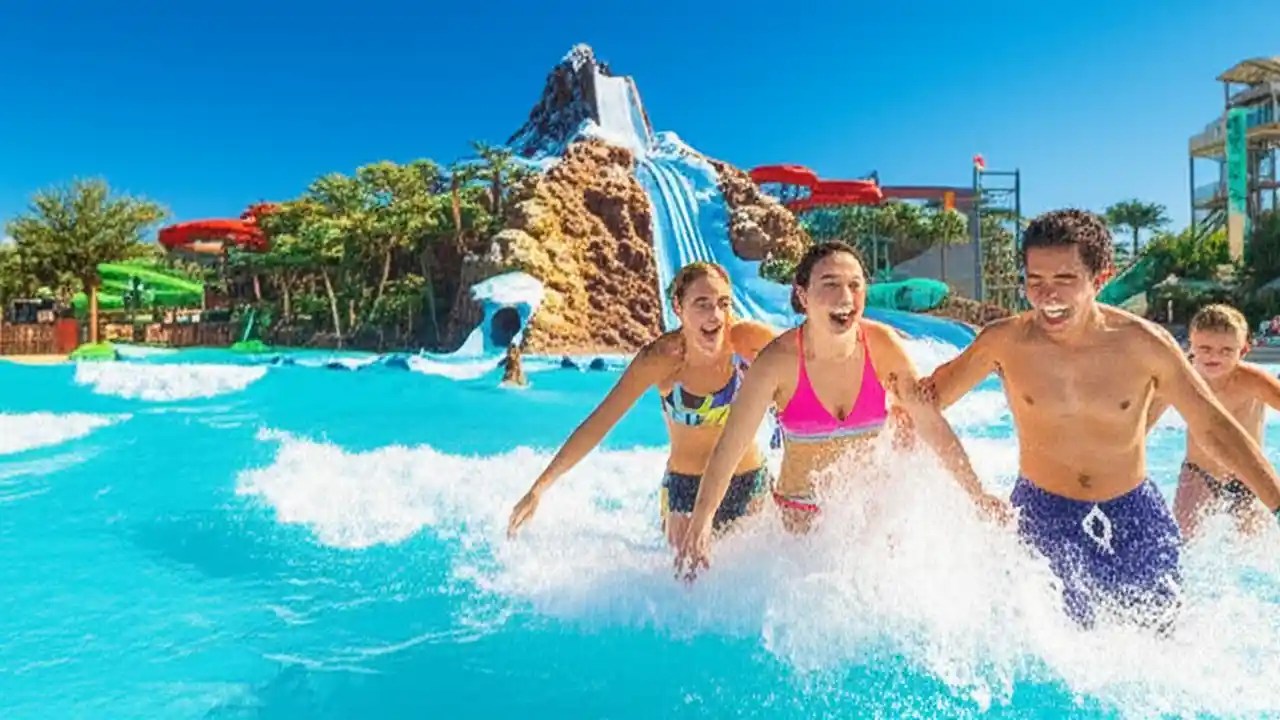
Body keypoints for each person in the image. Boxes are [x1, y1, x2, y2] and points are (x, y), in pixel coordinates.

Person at [917, 209, 1280, 629]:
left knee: (1161, 637)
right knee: (1062, 647)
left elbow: (1214, 426)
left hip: (1134, 510)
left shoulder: (1145, 345)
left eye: (1064, 280)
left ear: (1100, 277)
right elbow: (925, 403)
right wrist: (972, 493)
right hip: (1042, 512)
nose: (1047, 295)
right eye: (1035, 281)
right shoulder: (1004, 342)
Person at [673, 241, 1007, 576]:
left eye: (855, 285)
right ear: (803, 296)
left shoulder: (882, 346)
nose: (845, 297)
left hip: (871, 528)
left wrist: (977, 495)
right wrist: (702, 520)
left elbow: (930, 424)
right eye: (830, 284)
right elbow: (732, 443)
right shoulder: (777, 362)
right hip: (799, 537)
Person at [506, 261, 778, 547]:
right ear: (678, 307)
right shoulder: (660, 360)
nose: (716, 315)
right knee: (688, 585)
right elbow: (600, 422)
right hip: (687, 489)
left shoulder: (747, 340)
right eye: (702, 304)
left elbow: (806, 365)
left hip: (747, 479)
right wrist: (540, 487)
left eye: (723, 303)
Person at [1147, 303, 1280, 538]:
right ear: (1190, 346)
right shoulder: (1182, 380)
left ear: (1244, 350)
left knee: (1259, 548)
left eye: (1226, 350)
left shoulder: (1253, 381)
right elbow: (1142, 423)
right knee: (1182, 542)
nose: (1214, 356)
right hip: (1199, 472)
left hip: (1248, 475)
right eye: (1205, 348)